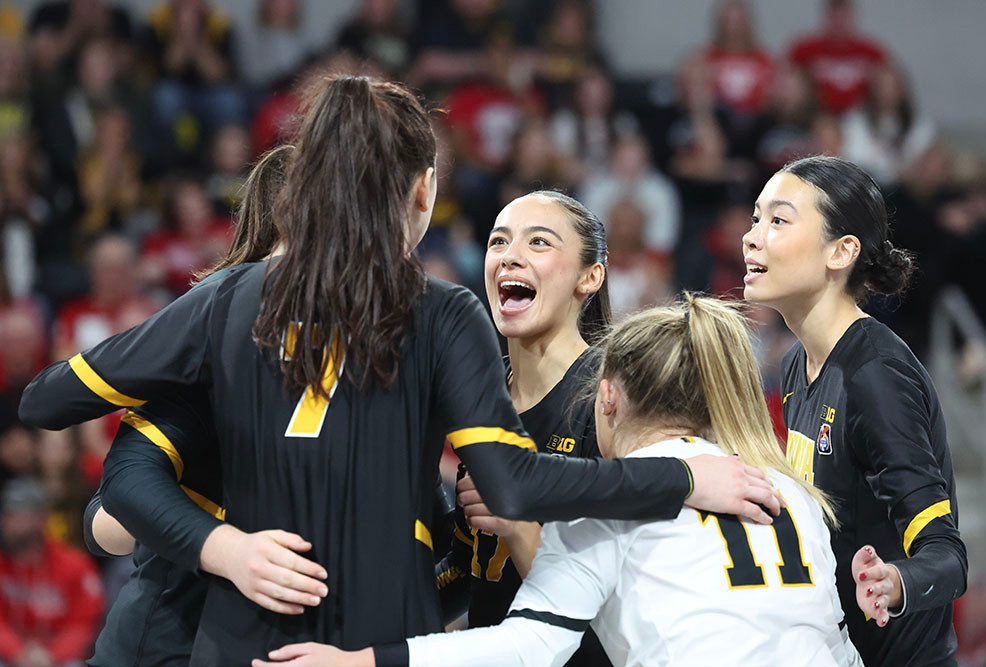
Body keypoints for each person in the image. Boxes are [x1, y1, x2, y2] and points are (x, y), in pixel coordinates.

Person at [19, 76, 780, 666]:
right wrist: (682, 479)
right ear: (423, 189)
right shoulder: (444, 312)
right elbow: (513, 483)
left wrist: (224, 544)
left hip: (240, 640)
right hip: (380, 642)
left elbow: (50, 402)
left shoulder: (225, 300)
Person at [253, 295, 861, 667]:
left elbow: (525, 650)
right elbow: (836, 645)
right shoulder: (790, 492)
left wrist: (360, 661)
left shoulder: (613, 502)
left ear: (608, 398)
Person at [742, 155, 967, 665]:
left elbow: (948, 557)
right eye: (755, 218)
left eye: (777, 220)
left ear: (841, 251)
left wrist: (895, 582)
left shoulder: (876, 375)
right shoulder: (799, 361)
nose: (752, 236)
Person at [81, 144, 292, 667]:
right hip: (169, 635)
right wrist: (195, 525)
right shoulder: (209, 353)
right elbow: (105, 518)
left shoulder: (367, 365)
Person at [437, 190, 614, 666]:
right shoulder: (474, 390)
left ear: (589, 276)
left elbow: (609, 605)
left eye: (538, 243)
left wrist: (515, 522)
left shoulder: (614, 397)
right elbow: (467, 567)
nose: (510, 257)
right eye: (498, 242)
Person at [0, 478, 105, 666]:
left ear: (40, 518)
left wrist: (51, 656)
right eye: (7, 516)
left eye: (17, 516)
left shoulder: (75, 565)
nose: (9, 524)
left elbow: (83, 624)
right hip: (10, 656)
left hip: (59, 658)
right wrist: (19, 653)